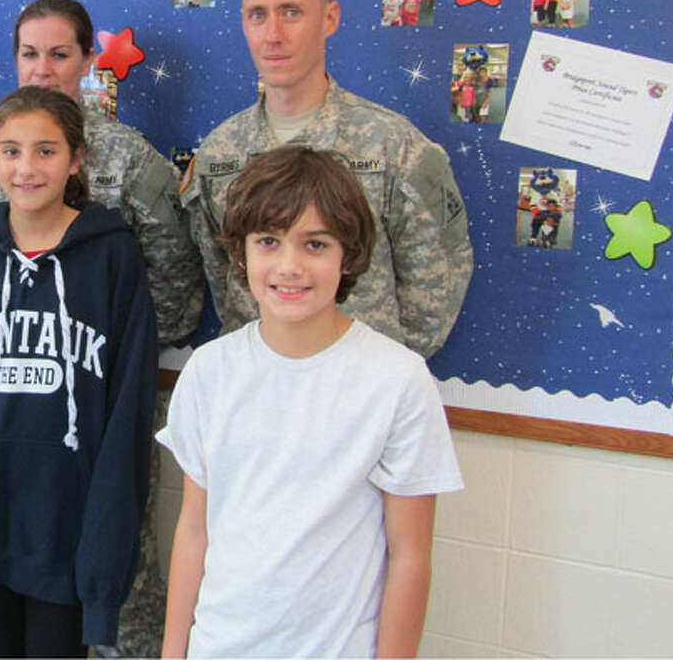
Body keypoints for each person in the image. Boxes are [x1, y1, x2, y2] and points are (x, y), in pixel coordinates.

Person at [0, 0, 202, 656]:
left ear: (89, 59)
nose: (42, 69)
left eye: (59, 54)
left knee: (119, 567)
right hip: (11, 396)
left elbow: (175, 282)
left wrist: (112, 346)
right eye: (29, 54)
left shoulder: (128, 157)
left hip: (100, 393)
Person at [158, 146, 463, 657]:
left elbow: (409, 557)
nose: (289, 266)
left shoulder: (398, 380)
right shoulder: (210, 371)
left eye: (315, 244)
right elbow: (193, 530)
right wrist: (173, 652)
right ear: (242, 253)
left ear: (349, 255)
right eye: (268, 241)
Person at [0, 86, 157, 657]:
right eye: (11, 151)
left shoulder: (113, 257)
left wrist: (102, 552)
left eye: (46, 151)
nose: (26, 168)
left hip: (69, 538)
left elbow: (128, 415)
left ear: (76, 158)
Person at [185, 0, 472, 359]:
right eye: (258, 15)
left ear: (330, 18)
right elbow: (223, 275)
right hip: (255, 378)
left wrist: (384, 367)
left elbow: (437, 285)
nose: (273, 35)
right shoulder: (218, 154)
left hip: (363, 381)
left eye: (291, 12)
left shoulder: (394, 146)